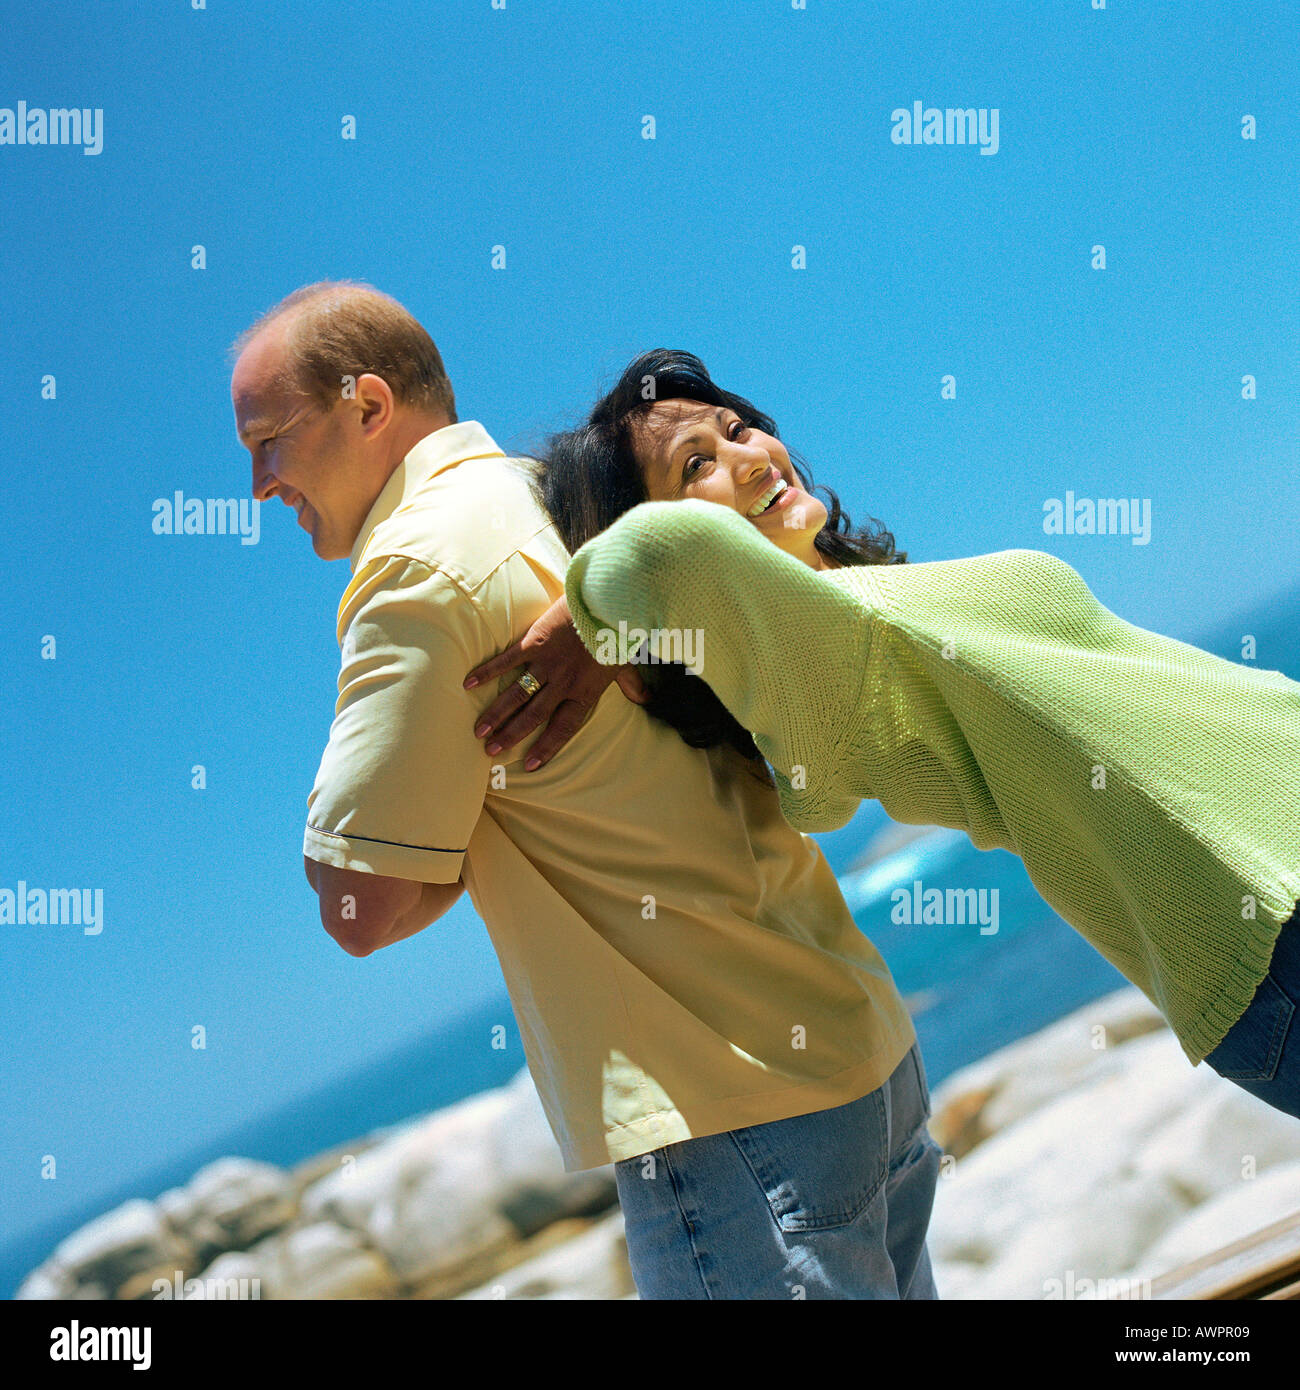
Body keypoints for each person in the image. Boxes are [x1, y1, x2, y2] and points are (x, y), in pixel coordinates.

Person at [229, 285, 942, 1299]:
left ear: (368, 405)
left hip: (731, 1112)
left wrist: (448, 818)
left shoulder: (418, 573)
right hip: (860, 1046)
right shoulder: (573, 492)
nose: (258, 482)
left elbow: (358, 901)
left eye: (269, 439)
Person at [464, 349, 1300, 1121]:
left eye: (737, 427)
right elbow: (663, 550)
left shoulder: (874, 603)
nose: (753, 456)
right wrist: (590, 616)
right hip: (1261, 918)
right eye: (696, 466)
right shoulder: (822, 670)